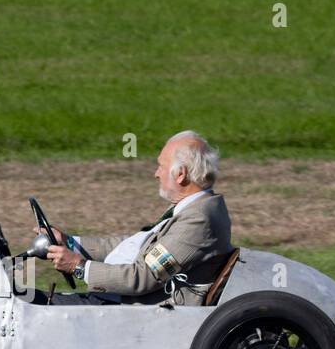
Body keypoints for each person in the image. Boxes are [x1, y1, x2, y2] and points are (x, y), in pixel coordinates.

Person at [44, 131, 233, 306]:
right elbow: (132, 246)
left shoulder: (198, 221)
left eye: (161, 166)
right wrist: (68, 242)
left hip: (132, 310)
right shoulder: (192, 207)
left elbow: (144, 277)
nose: (156, 174)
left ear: (180, 174)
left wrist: (78, 267)